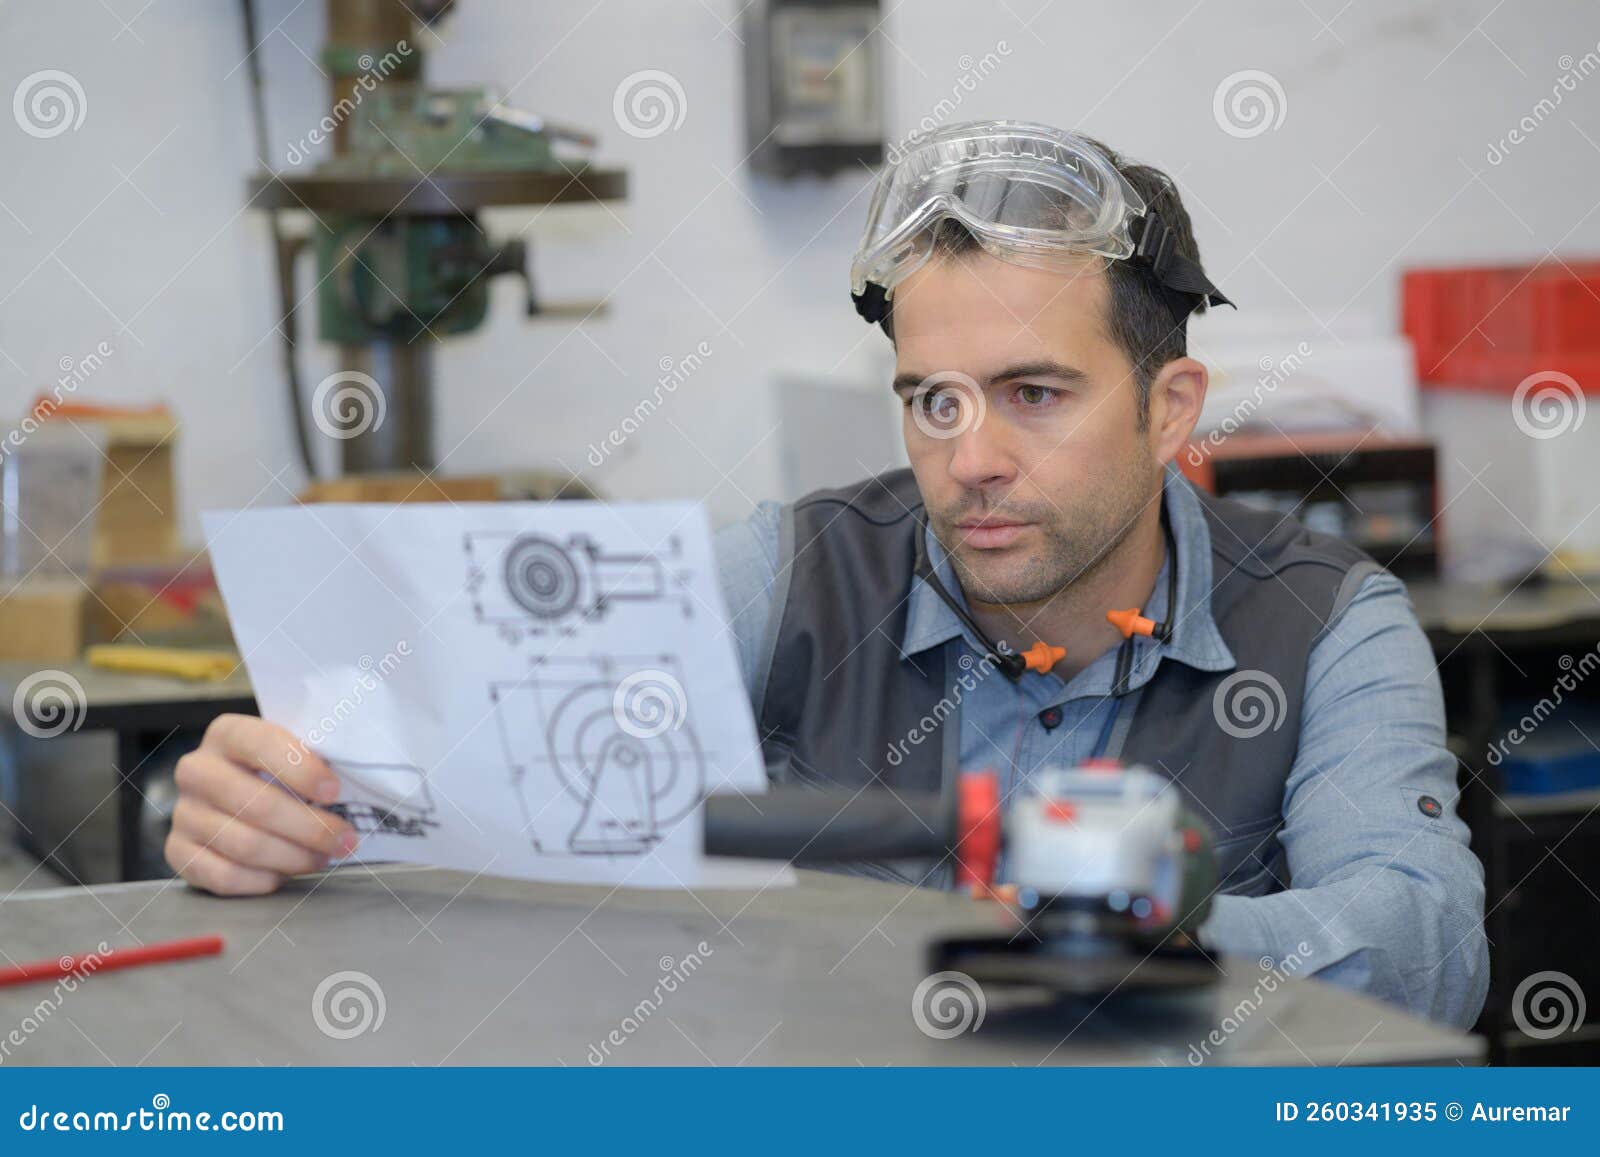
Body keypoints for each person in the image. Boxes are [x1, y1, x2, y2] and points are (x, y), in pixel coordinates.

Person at [165, 121, 1487, 1029]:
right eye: (932, 399)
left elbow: (1432, 947)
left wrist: (1139, 948)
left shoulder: (1328, 626)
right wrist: (286, 803)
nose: (969, 458)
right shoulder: (791, 571)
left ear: (1167, 406)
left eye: (1034, 393)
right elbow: (479, 771)